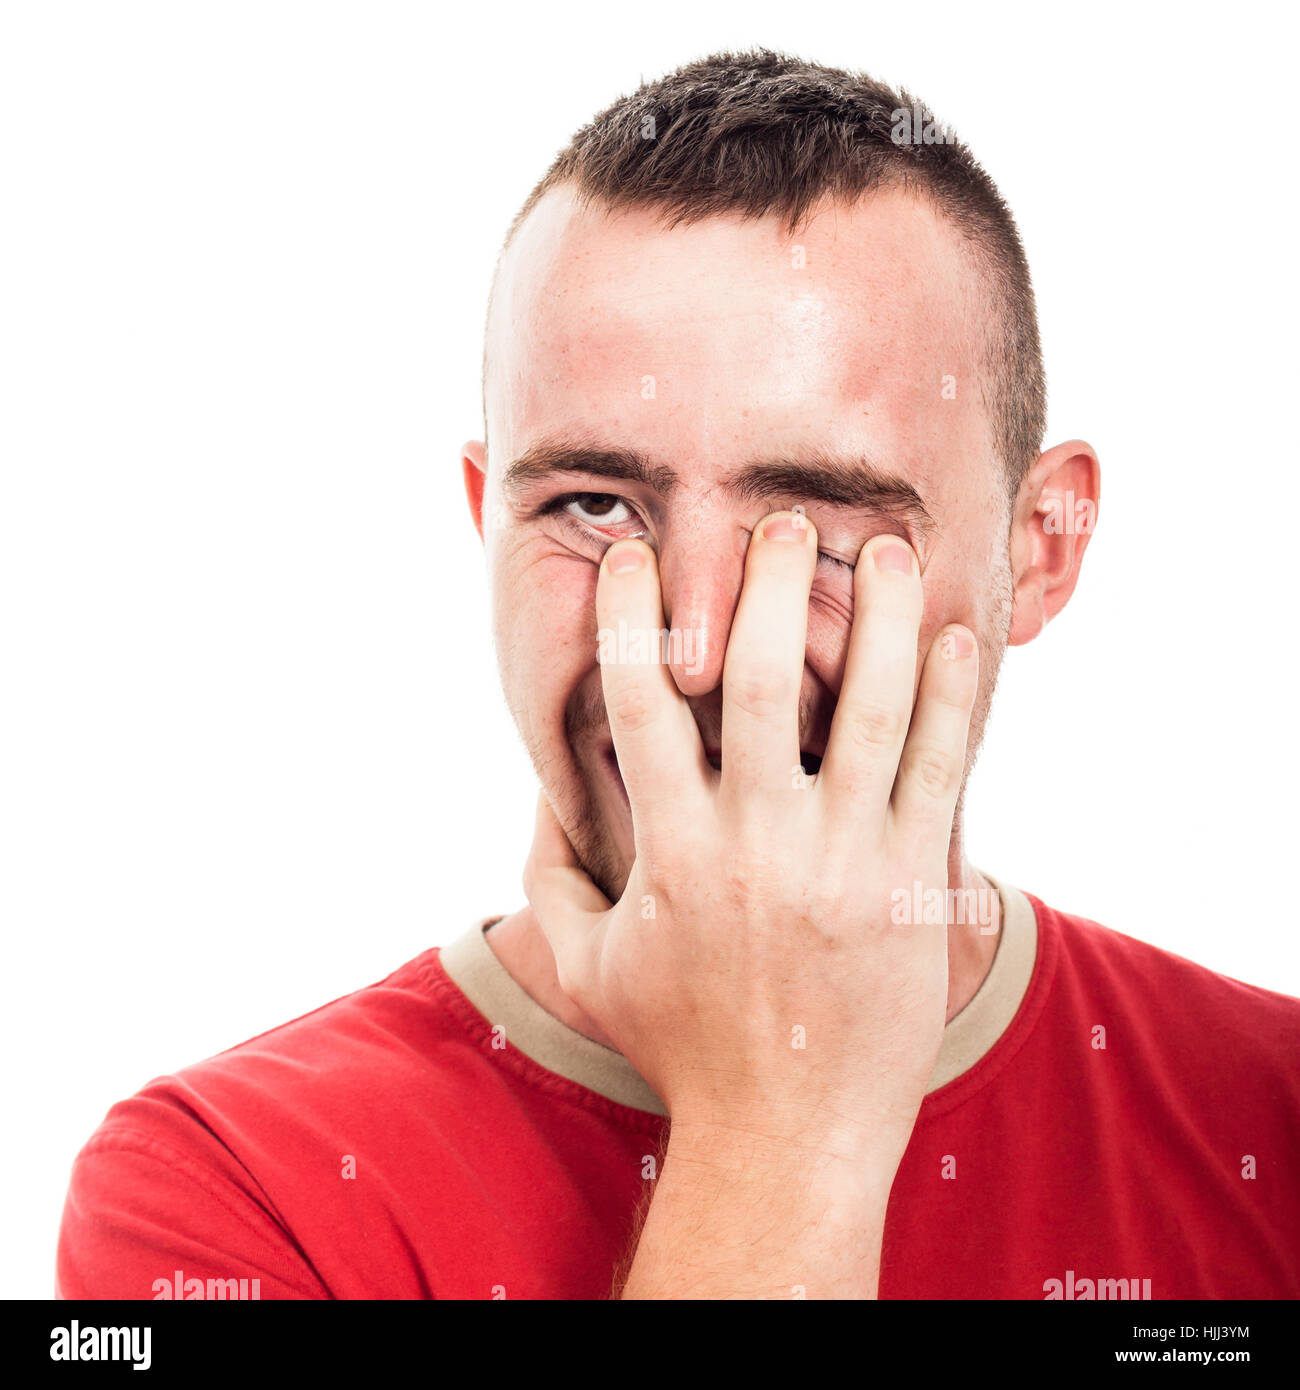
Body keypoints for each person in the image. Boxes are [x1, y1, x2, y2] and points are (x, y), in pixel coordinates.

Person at [58, 49, 1300, 1300]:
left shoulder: (1272, 1116)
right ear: (490, 518)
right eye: (593, 506)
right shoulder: (221, 1197)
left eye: (816, 520)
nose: (697, 651)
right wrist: (778, 1126)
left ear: (1037, 550)